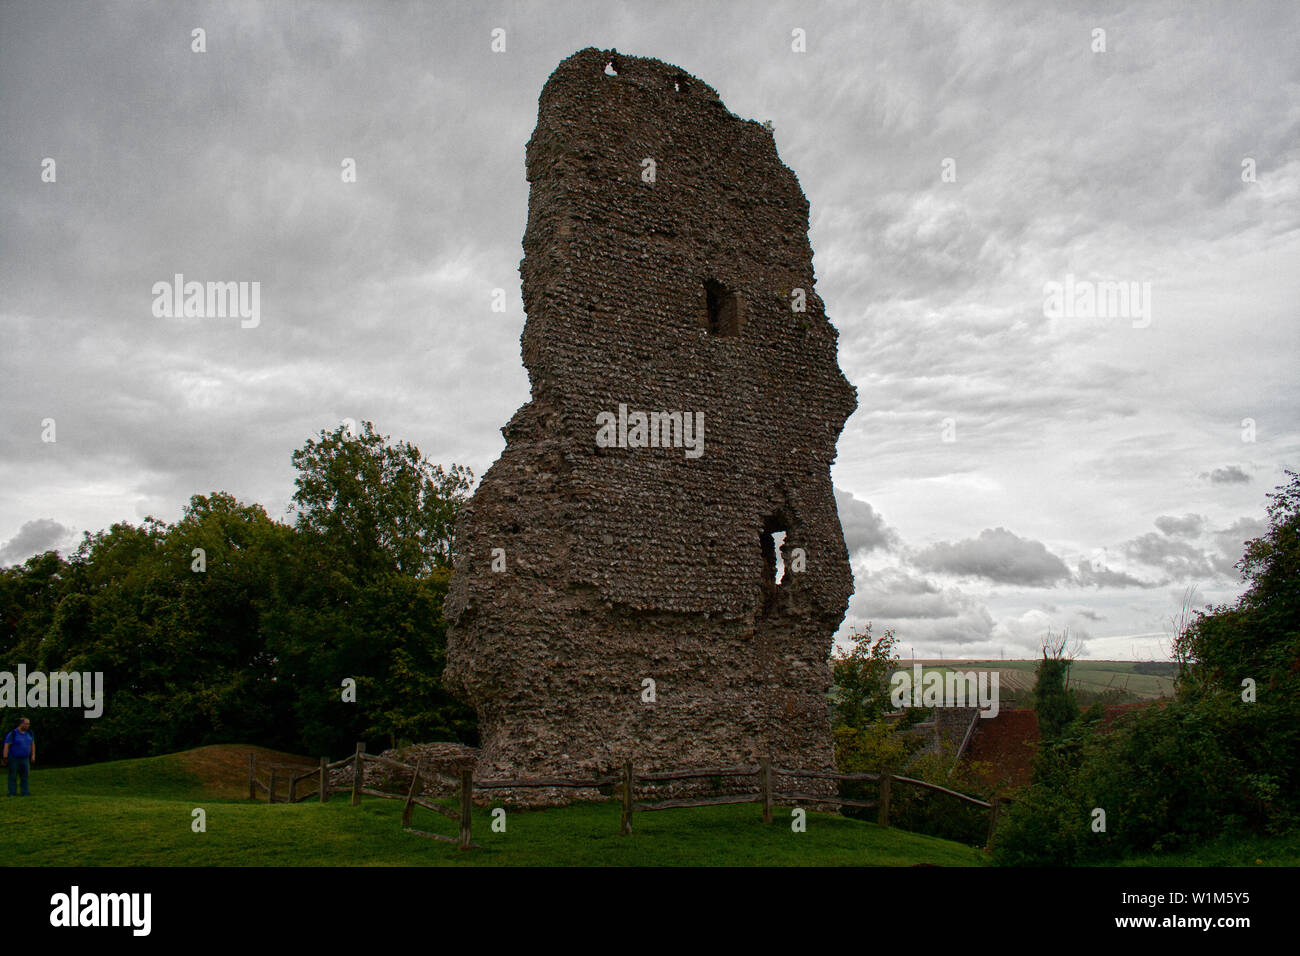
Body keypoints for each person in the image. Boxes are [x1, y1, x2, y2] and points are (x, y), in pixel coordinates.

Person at [3, 717, 35, 796]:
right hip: (14, 758)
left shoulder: (29, 733)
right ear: (21, 724)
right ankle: (12, 792)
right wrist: (5, 757)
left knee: (25, 776)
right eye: (26, 724)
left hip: (25, 759)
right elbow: (7, 745)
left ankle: (25, 792)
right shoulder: (13, 734)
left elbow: (32, 744)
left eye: (28, 724)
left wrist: (33, 755)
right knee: (13, 776)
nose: (28, 725)